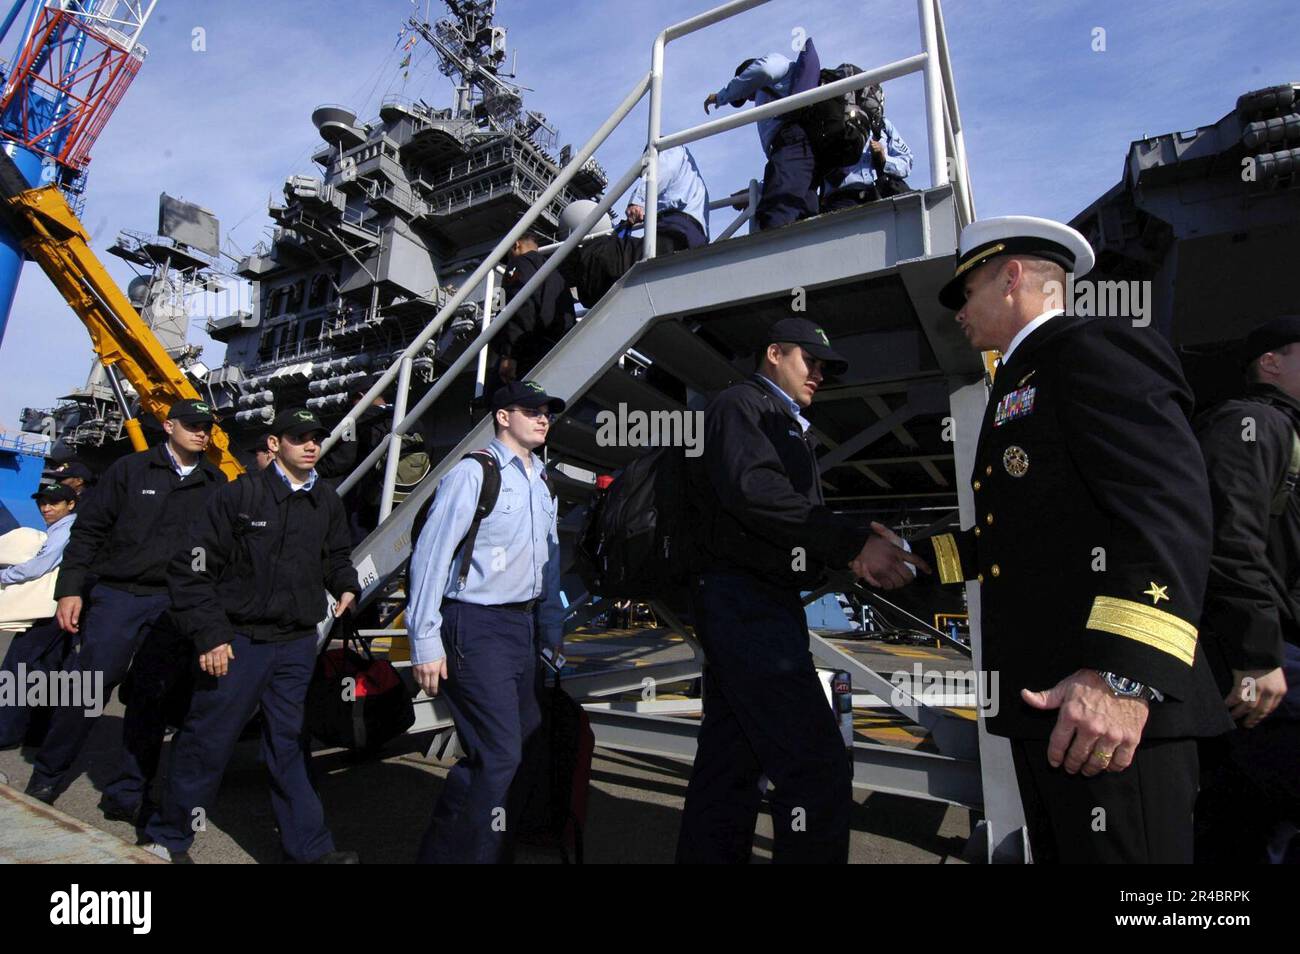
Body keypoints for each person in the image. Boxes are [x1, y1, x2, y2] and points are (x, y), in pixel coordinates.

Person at [908, 215, 1230, 863]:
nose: (960, 314)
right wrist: (911, 558)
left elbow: (1167, 508)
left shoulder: (1093, 348)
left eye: (965, 293)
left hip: (1106, 713)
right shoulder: (1022, 379)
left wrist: (1123, 680)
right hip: (1055, 710)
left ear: (1012, 277)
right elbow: (1017, 535)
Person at [677, 317, 926, 864]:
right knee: (816, 769)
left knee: (731, 763)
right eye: (808, 361)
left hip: (755, 601)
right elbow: (755, 492)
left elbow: (784, 514)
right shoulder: (741, 406)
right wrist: (850, 543)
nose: (819, 374)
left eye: (825, 368)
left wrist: (852, 545)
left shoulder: (780, 419)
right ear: (772, 354)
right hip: (744, 603)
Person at [141, 407, 360, 863]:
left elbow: (336, 555)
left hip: (296, 643)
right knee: (208, 739)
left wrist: (345, 583)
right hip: (237, 641)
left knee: (289, 745)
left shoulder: (326, 501)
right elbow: (191, 569)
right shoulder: (239, 497)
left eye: (315, 437)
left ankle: (312, 851)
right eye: (299, 437)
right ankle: (169, 835)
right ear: (275, 444)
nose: (311, 445)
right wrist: (210, 635)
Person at [25, 399, 227, 820]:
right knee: (87, 686)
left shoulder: (214, 481)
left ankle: (128, 792)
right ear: (168, 425)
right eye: (191, 425)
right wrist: (71, 590)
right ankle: (46, 774)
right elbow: (89, 532)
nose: (201, 432)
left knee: (153, 698)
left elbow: (217, 551)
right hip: (120, 594)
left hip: (174, 604)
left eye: (206, 426)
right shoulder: (131, 470)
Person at [407, 380, 566, 863]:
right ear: (502, 416)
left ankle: (491, 850)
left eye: (546, 411)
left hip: (520, 627)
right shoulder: (474, 474)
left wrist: (551, 628)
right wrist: (424, 640)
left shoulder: (543, 480)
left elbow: (550, 564)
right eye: (530, 410)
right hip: (474, 622)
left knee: (521, 744)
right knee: (497, 755)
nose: (542, 417)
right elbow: (431, 558)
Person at [1193, 315, 1300, 863]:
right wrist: (1256, 655)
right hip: (1268, 663)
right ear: (1271, 363)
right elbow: (1228, 539)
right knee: (1250, 814)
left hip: (1276, 655)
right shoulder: (1250, 424)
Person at [0, 484, 78, 749]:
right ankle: (38, 731)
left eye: (54, 503)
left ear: (70, 505)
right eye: (43, 503)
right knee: (49, 668)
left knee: (17, 668)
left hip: (50, 611)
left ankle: (5, 732)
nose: (46, 508)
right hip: (61, 612)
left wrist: (4, 575)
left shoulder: (67, 529)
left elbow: (40, 565)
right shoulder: (63, 528)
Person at [706, 53, 819, 230]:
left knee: (775, 215)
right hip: (790, 150)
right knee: (802, 210)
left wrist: (722, 96)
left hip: (791, 143)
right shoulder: (773, 85)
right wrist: (757, 192)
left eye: (747, 91)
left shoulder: (776, 64)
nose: (750, 98)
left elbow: (763, 70)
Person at [317, 374, 393, 544]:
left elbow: (343, 459)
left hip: (367, 499)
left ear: (360, 397)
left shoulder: (351, 421)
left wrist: (312, 466)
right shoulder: (406, 416)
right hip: (401, 494)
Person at [495, 232, 577, 383]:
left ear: (516, 245)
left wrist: (509, 354)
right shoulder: (554, 271)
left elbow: (519, 306)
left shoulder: (518, 263)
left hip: (526, 349)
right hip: (555, 347)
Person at [822, 84, 913, 210]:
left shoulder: (883, 125)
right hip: (841, 198)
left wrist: (885, 160)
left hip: (878, 194)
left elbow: (906, 161)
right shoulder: (835, 121)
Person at [625, 145, 711, 253]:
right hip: (696, 236)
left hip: (676, 228)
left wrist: (639, 201)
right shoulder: (693, 181)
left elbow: (662, 171)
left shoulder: (668, 148)